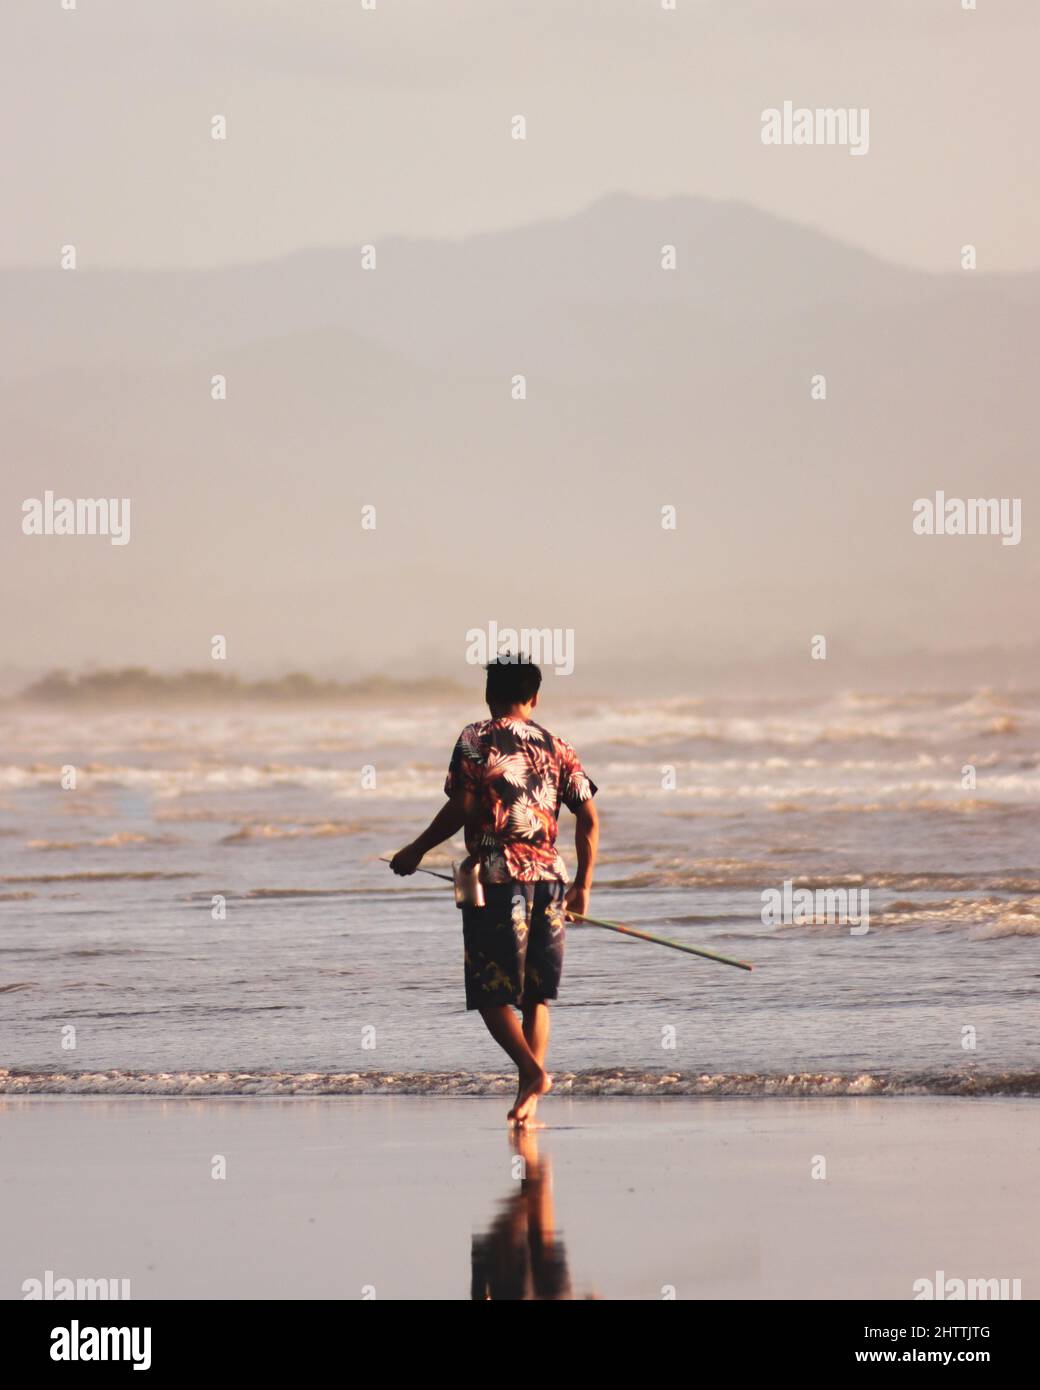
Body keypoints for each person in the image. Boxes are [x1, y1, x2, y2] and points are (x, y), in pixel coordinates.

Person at [390, 657, 599, 1125]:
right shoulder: (558, 745)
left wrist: (416, 850)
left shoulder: (476, 738)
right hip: (550, 879)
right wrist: (582, 886)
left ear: (489, 695)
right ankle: (531, 1093)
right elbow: (588, 820)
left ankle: (531, 1071)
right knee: (535, 995)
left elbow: (463, 804)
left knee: (490, 993)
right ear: (535, 697)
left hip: (496, 877)